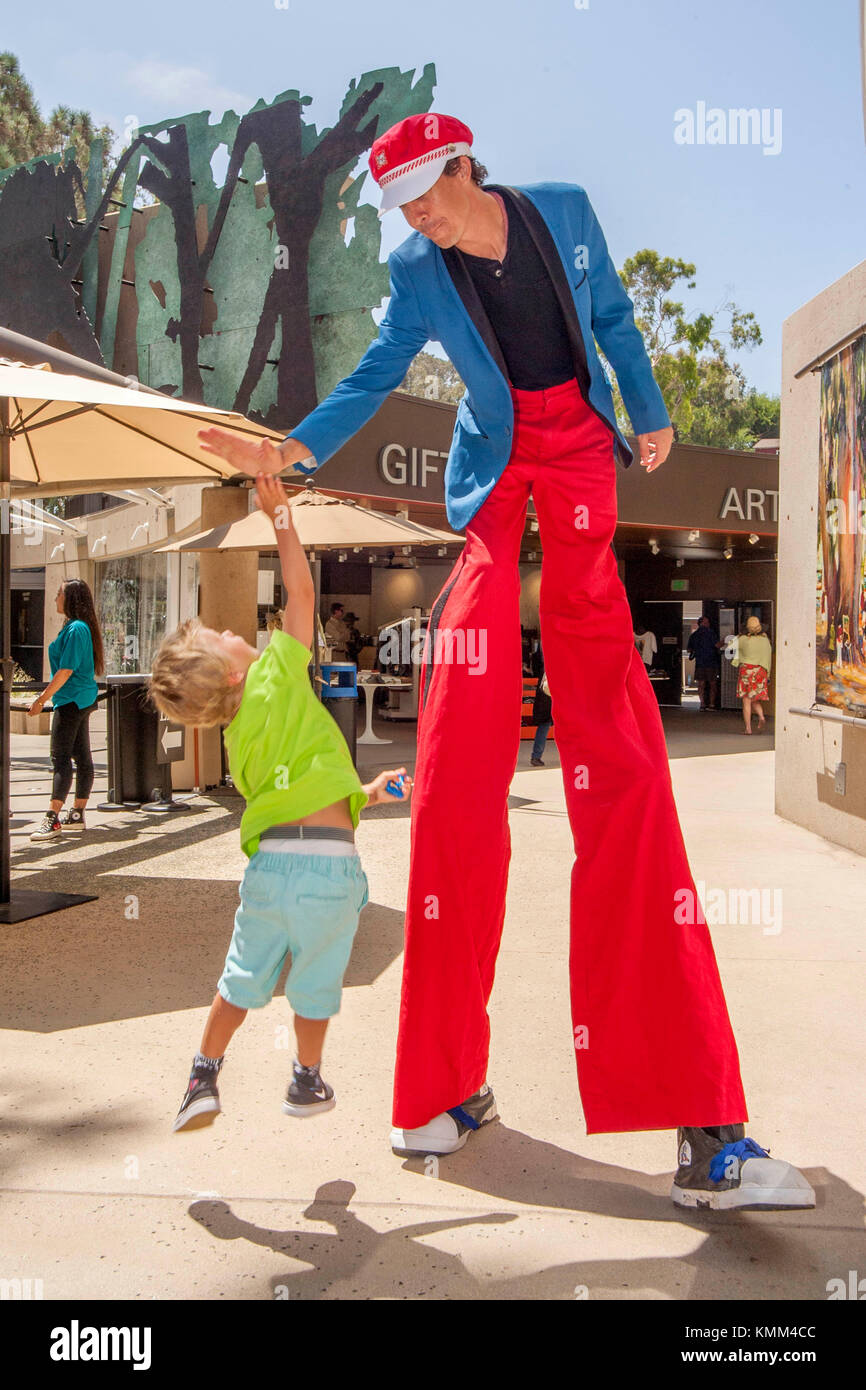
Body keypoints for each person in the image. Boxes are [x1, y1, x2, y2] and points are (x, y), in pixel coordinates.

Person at [197, 114, 813, 1210]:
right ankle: (436, 1091)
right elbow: (376, 370)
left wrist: (655, 416)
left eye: (427, 197)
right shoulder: (416, 269)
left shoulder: (561, 214)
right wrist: (287, 452)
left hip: (578, 464)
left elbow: (615, 321)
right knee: (450, 777)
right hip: (493, 492)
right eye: (404, 208)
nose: (417, 219)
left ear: (463, 167)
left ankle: (704, 1132)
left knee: (622, 770)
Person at [149, 472, 412, 1132]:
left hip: (270, 872)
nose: (233, 631)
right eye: (220, 634)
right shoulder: (273, 672)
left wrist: (367, 795)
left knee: (240, 979)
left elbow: (301, 796)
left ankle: (202, 1076)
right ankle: (305, 1078)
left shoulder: (241, 741)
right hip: (328, 871)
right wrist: (280, 517)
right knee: (316, 984)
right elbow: (300, 590)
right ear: (236, 669)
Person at [29, 578, 104, 841]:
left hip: (71, 700)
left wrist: (41, 699)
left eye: (58, 594)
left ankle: (52, 819)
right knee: (82, 757)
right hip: (81, 699)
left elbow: (65, 670)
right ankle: (76, 815)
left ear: (70, 598)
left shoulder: (75, 629)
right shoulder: (80, 628)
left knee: (60, 758)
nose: (55, 599)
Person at [730, 616, 772, 734]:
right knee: (755, 698)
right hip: (760, 671)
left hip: (746, 671)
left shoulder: (743, 639)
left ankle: (748, 728)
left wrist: (737, 636)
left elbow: (730, 647)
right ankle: (761, 716)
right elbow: (768, 658)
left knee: (746, 700)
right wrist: (767, 675)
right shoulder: (765, 641)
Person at [687, 615, 722, 710]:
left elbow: (689, 650)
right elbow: (717, 645)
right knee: (712, 684)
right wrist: (726, 641)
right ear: (703, 623)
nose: (709, 624)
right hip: (711, 662)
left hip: (699, 663)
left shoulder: (694, 635)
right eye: (707, 622)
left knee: (701, 684)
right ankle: (711, 704)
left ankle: (702, 704)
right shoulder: (711, 633)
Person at [530, 640, 552, 766]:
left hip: (545, 692)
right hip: (550, 694)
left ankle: (536, 756)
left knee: (544, 724)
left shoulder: (543, 644)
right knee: (546, 724)